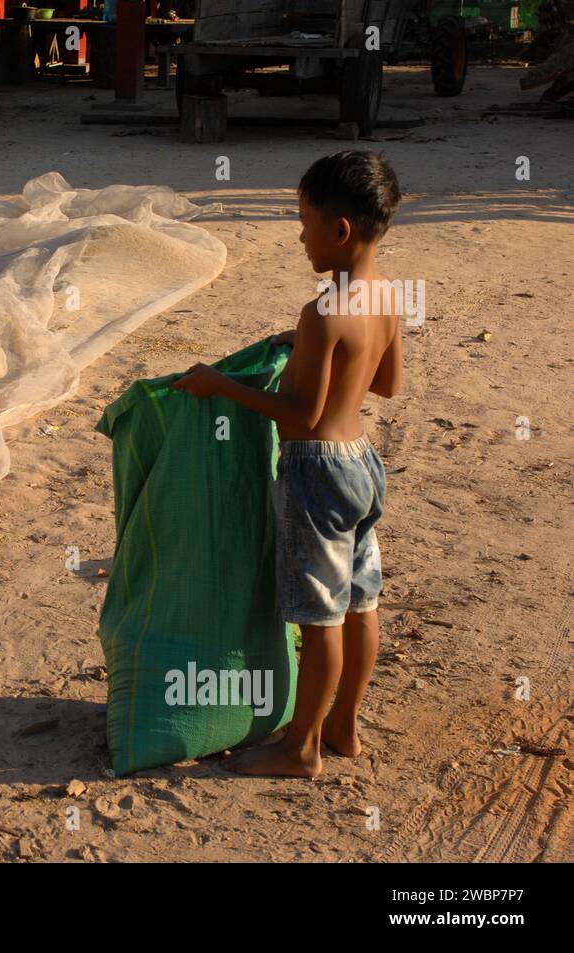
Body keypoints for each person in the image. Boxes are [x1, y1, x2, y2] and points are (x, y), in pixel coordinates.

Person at [173, 151, 403, 777]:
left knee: (319, 617)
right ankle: (344, 726)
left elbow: (299, 418)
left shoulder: (322, 313)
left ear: (340, 231)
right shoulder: (384, 296)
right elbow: (386, 382)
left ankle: (300, 747)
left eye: (304, 223)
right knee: (361, 603)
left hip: (317, 473)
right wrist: (306, 351)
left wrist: (221, 384)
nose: (299, 235)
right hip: (362, 464)